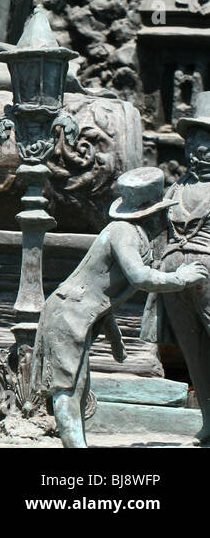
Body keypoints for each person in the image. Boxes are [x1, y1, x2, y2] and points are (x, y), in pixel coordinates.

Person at [32, 167, 209, 448]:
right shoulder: (121, 232)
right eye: (163, 211)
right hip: (66, 313)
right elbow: (139, 278)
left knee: (80, 383)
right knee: (68, 387)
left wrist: (113, 335)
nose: (167, 218)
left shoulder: (139, 236)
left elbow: (101, 292)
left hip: (82, 314)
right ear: (151, 212)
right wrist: (180, 277)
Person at [141, 92, 210, 445]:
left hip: (208, 276)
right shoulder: (176, 187)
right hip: (173, 281)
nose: (204, 151)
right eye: (198, 142)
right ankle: (208, 424)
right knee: (194, 352)